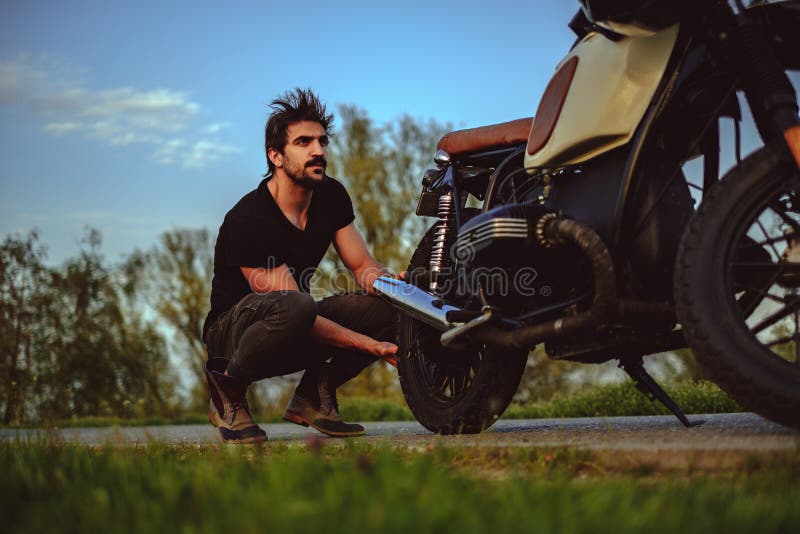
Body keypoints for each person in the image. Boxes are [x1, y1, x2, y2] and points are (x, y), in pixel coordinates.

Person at [201, 88, 399, 444]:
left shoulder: (332, 196)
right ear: (275, 156)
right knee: (297, 306)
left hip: (295, 322)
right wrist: (370, 346)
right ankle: (227, 393)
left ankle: (313, 396)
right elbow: (295, 309)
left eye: (322, 141)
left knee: (390, 308)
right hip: (233, 333)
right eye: (304, 142)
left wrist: (398, 288)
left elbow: (363, 266)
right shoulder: (249, 219)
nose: (318, 151)